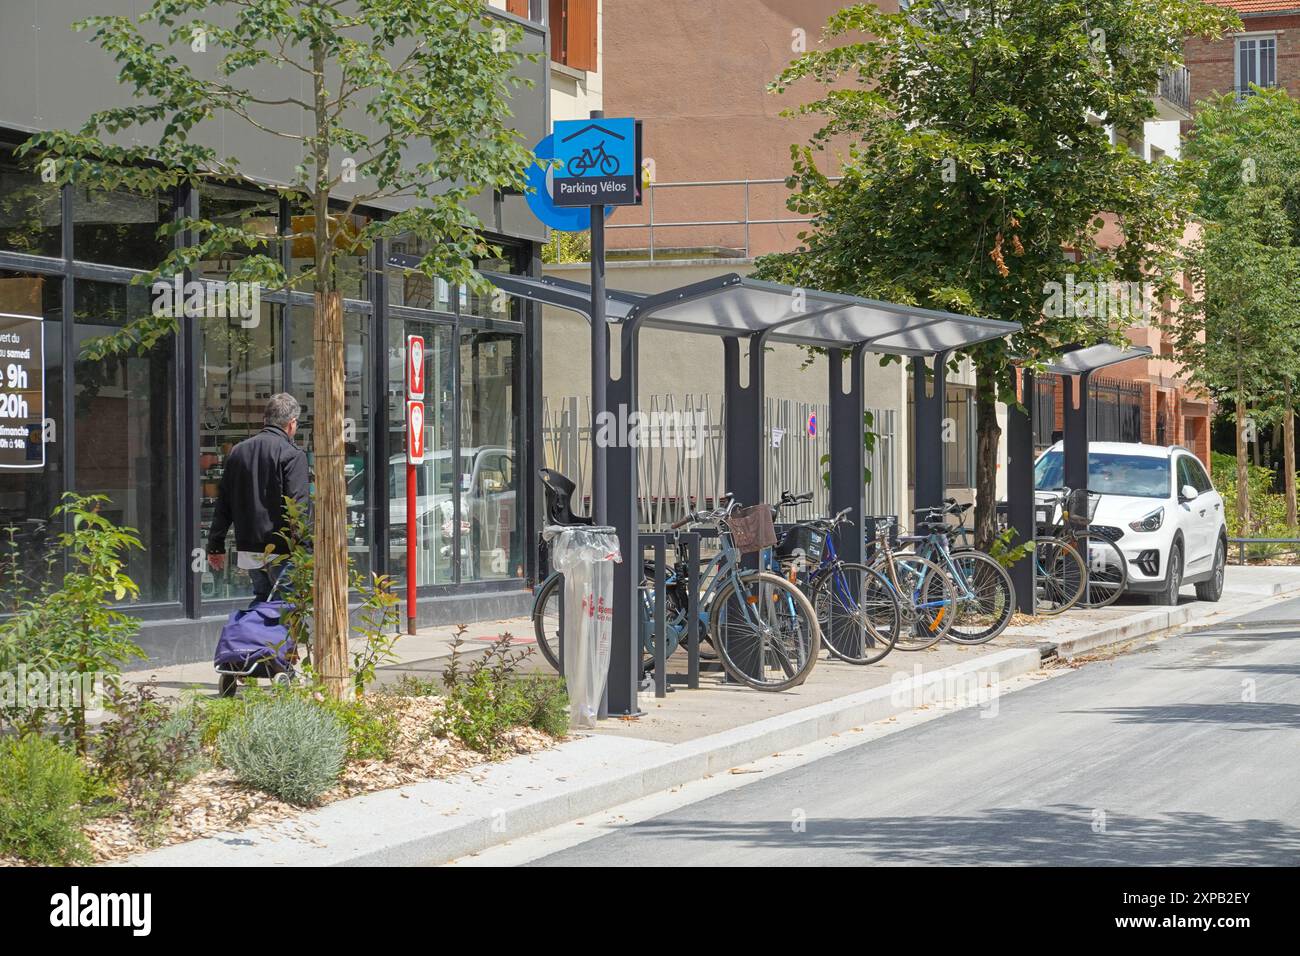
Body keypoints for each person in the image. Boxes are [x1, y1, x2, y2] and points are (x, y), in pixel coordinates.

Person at [207, 393, 309, 603]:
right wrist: (305, 550)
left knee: (263, 604)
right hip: (282, 551)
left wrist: (216, 545)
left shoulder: (237, 452)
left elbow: (223, 504)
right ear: (292, 423)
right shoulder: (291, 454)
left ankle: (251, 635)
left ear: (266, 419)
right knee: (285, 611)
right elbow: (297, 506)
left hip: (249, 549)